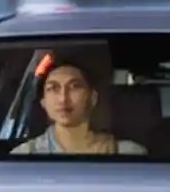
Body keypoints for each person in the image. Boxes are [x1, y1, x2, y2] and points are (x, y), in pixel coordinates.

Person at [11, 58, 147, 156]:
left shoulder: (128, 153)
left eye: (74, 87)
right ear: (43, 102)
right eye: (53, 88)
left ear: (92, 98)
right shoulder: (23, 156)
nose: (63, 98)